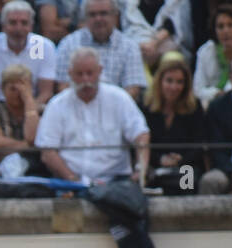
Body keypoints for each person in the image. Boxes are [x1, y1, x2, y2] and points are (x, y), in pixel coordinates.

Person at [36, 47, 150, 184]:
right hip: (71, 183)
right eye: (80, 74)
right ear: (70, 74)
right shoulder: (57, 105)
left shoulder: (119, 98)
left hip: (116, 183)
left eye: (90, 73)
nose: (86, 80)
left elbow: (141, 134)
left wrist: (140, 170)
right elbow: (48, 152)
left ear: (100, 71)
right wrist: (75, 180)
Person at [54, 0, 147, 101]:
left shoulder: (129, 47)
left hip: (116, 111)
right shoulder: (68, 44)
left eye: (103, 13)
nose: (98, 19)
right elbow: (63, 86)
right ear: (85, 18)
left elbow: (132, 89)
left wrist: (107, 109)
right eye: (92, 14)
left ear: (115, 16)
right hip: (77, 110)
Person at [144, 51, 209, 194]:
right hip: (154, 164)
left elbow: (199, 144)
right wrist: (160, 159)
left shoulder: (194, 107)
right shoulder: (146, 106)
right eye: (169, 81)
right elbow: (141, 142)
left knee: (187, 183)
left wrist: (180, 160)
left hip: (186, 165)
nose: (174, 87)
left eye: (179, 82)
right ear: (160, 81)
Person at [0, 1, 57, 110]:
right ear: (3, 25)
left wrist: (29, 110)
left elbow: (46, 93)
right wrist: (5, 113)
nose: (18, 28)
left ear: (31, 26)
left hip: (33, 106)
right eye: (12, 23)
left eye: (24, 23)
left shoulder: (43, 46)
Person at [0, 61, 41, 177]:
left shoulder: (42, 111)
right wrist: (28, 146)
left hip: (35, 172)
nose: (18, 93)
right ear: (3, 89)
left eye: (23, 88)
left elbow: (33, 136)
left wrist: (28, 100)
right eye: (13, 88)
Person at [194, 4, 232, 108]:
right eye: (220, 26)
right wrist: (217, 94)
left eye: (230, 25)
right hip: (211, 106)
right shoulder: (206, 51)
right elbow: (197, 89)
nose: (225, 31)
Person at [205, 57, 232, 193]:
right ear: (230, 77)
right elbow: (216, 148)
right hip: (226, 169)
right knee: (210, 181)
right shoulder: (217, 107)